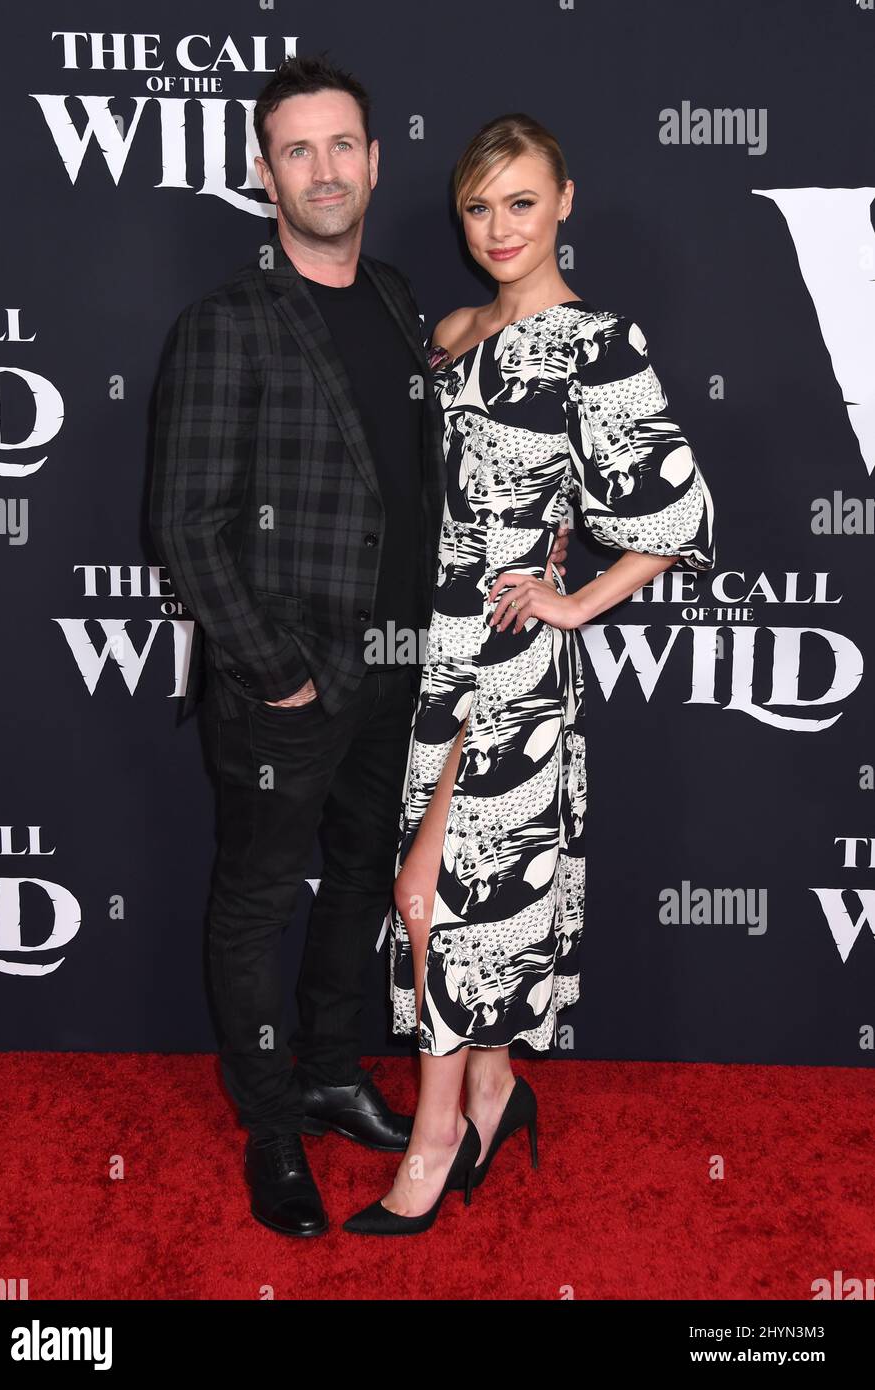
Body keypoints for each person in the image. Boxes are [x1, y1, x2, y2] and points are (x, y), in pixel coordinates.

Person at [148, 60, 570, 1238]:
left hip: (403, 672)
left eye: (344, 147)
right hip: (283, 687)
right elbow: (181, 525)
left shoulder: (394, 298)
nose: (324, 170)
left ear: (375, 163)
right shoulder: (225, 323)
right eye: (297, 150)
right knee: (257, 901)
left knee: (356, 899)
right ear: (262, 172)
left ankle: (334, 1068)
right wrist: (273, 669)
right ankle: (272, 1116)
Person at [343, 112, 716, 1234]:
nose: (497, 225)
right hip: (426, 659)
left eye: (519, 201)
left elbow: (673, 513)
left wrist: (571, 597)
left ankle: (435, 1136)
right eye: (476, 204)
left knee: (435, 899)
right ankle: (496, 1087)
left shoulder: (597, 343)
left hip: (507, 666)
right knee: (465, 906)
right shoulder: (452, 330)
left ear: (563, 202)